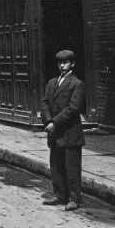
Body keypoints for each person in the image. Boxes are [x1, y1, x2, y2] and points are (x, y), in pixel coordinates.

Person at [41, 49, 86, 211]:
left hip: (70, 132)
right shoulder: (51, 83)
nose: (62, 65)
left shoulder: (77, 84)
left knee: (71, 167)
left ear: (72, 64)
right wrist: (47, 120)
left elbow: (73, 109)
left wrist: (55, 122)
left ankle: (74, 198)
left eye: (65, 62)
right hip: (54, 132)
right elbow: (45, 102)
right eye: (60, 62)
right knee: (56, 165)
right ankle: (59, 194)